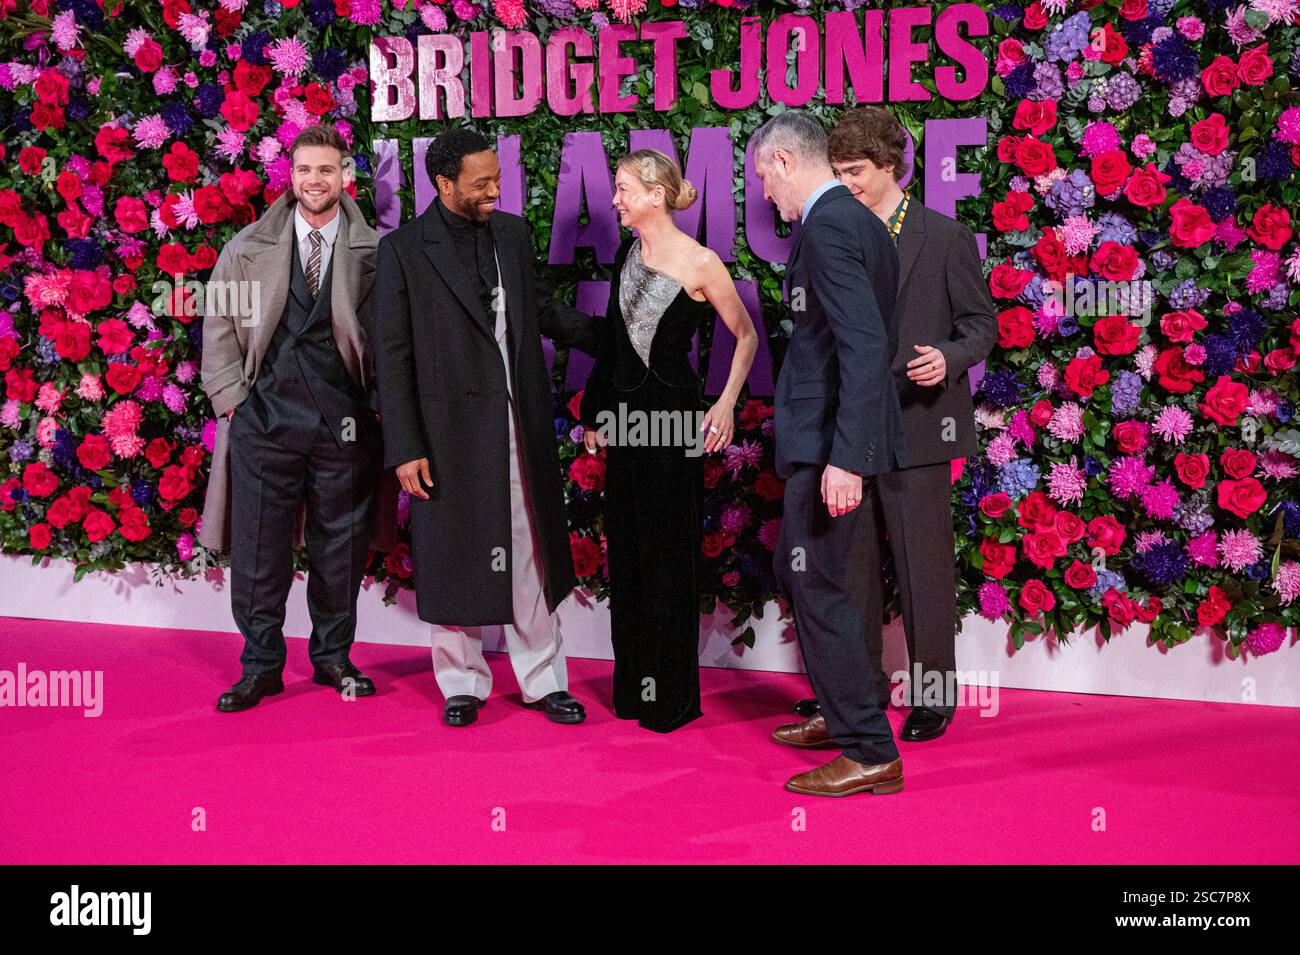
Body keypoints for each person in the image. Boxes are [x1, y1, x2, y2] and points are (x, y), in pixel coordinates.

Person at [372, 129, 601, 728]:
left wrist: (613, 339)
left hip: (515, 420)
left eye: (497, 179)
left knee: (526, 551)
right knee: (454, 551)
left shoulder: (511, 234)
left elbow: (542, 312)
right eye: (482, 183)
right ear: (444, 183)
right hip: (444, 430)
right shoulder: (403, 251)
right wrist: (405, 446)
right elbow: (390, 357)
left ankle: (543, 680)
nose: (495, 191)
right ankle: (461, 682)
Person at [791, 107, 996, 742]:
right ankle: (861, 692)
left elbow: (981, 324)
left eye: (855, 171)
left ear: (891, 167)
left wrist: (952, 355)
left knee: (923, 569)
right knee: (849, 568)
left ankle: (933, 694)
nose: (845, 183)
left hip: (918, 424)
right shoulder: (835, 229)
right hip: (849, 430)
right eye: (837, 171)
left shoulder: (944, 236)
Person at [200, 125, 393, 712]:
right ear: (291, 174)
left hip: (347, 425)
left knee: (342, 547)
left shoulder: (379, 251)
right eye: (306, 170)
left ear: (346, 176)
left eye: (327, 170)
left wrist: (379, 405)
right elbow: (218, 327)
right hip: (265, 423)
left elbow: (392, 336)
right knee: (259, 552)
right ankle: (260, 666)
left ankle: (333, 658)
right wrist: (233, 400)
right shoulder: (245, 248)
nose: (316, 180)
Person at [753, 111, 907, 796]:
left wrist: (847, 457)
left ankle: (870, 748)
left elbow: (866, 347)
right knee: (823, 584)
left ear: (785, 161)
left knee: (821, 590)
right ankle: (843, 711)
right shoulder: (861, 220)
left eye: (763, 176)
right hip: (828, 441)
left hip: (829, 447)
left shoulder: (831, 224)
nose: (764, 195)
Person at [579, 150, 757, 732]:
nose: (615, 199)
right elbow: (613, 347)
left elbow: (746, 335)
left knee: (668, 554)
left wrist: (725, 401)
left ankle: (671, 700)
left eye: (624, 188)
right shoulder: (628, 254)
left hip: (674, 424)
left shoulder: (702, 262)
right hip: (628, 427)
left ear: (657, 194)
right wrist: (596, 417)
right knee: (628, 551)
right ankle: (634, 690)